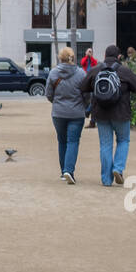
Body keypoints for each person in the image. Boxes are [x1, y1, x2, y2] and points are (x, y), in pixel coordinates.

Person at [81, 44, 136, 186]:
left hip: (101, 113)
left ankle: (106, 179)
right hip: (121, 113)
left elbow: (83, 87)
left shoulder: (96, 70)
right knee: (123, 140)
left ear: (104, 56)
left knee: (105, 144)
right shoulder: (124, 71)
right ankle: (118, 168)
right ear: (119, 56)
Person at [45, 45, 90, 184]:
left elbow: (48, 94)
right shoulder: (81, 73)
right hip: (76, 113)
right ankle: (69, 171)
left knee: (62, 141)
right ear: (73, 58)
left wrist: (57, 103)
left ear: (60, 58)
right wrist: (84, 105)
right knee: (73, 141)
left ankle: (63, 172)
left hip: (58, 113)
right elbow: (87, 94)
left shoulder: (53, 73)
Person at [80, 48, 99, 127]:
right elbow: (82, 63)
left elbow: (95, 64)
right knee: (85, 97)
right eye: (88, 51)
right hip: (85, 79)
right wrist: (87, 56)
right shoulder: (84, 59)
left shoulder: (93, 60)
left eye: (91, 51)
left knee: (93, 98)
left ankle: (88, 112)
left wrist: (90, 57)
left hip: (92, 79)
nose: (89, 53)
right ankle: (87, 111)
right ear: (85, 52)